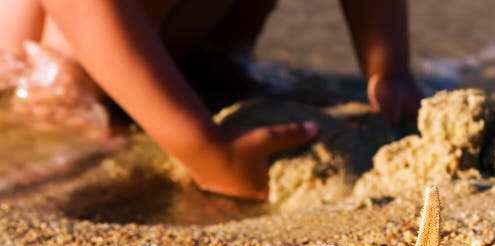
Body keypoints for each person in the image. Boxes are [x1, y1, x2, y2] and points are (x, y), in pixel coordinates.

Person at [0, 0, 423, 199]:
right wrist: (204, 147)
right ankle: (83, 108)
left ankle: (209, 68)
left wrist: (388, 65)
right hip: (52, 57)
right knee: (64, 100)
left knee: (212, 67)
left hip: (186, 34)